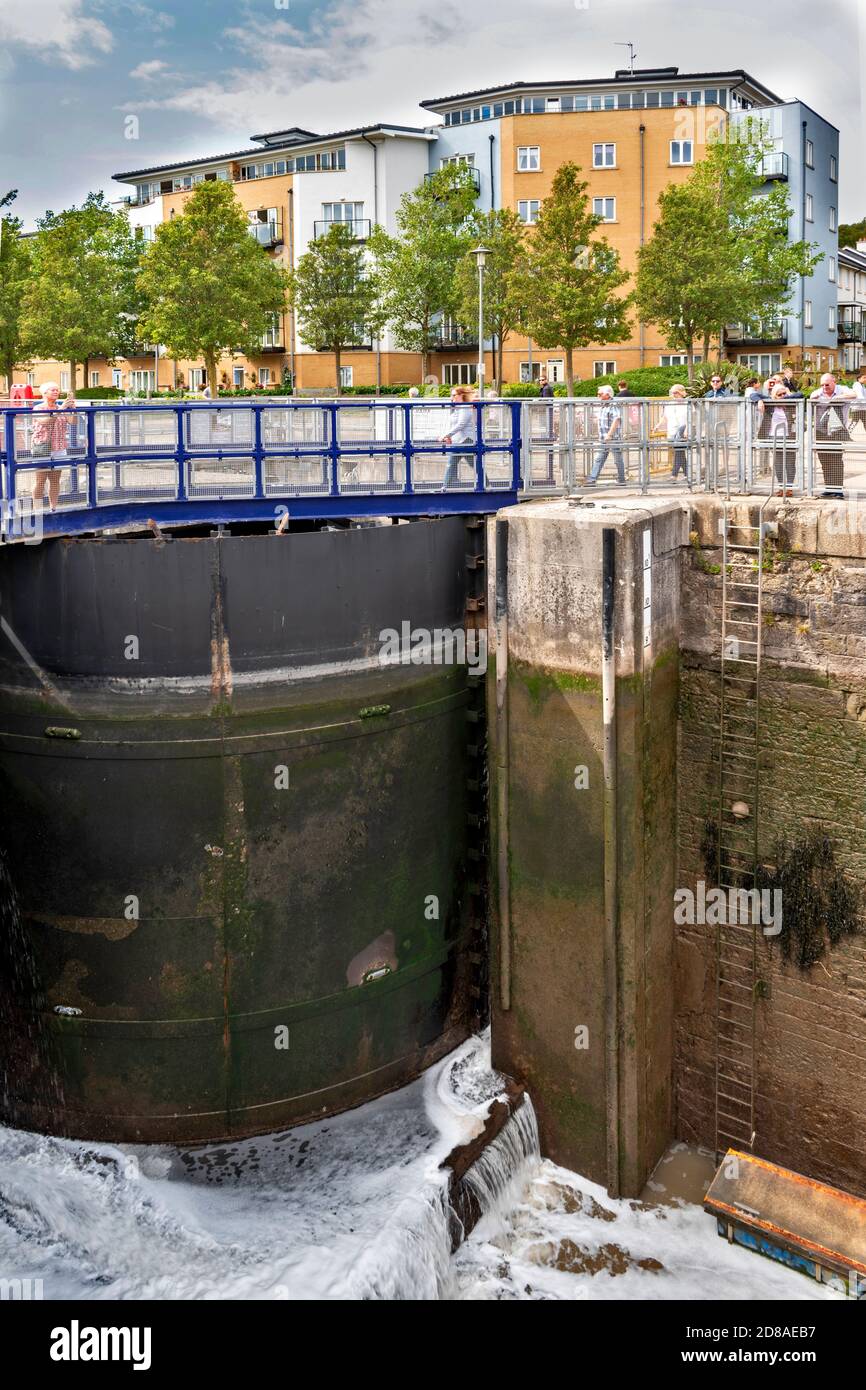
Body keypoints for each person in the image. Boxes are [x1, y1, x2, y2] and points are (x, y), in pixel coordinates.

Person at [810, 373, 856, 497]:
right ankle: (829, 487)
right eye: (822, 385)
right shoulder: (819, 392)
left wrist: (836, 399)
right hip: (821, 431)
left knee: (836, 460)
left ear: (833, 381)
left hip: (837, 431)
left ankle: (838, 489)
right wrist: (814, 397)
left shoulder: (842, 389)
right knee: (825, 461)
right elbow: (811, 398)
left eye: (827, 384)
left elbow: (854, 395)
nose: (824, 387)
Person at [31, 382, 75, 511]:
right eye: (53, 390)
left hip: (59, 447)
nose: (56, 392)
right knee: (40, 480)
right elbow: (45, 421)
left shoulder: (61, 407)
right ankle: (37, 509)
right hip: (42, 447)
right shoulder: (38, 408)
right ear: (44, 393)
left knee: (55, 480)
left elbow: (73, 422)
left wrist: (72, 409)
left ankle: (53, 508)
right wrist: (61, 409)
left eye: (57, 390)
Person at [767, 384, 802, 495]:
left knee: (790, 463)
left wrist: (786, 398)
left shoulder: (790, 404)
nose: (782, 396)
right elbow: (754, 395)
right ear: (774, 396)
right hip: (775, 436)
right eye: (779, 394)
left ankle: (789, 488)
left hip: (789, 436)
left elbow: (800, 394)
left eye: (784, 394)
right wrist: (760, 401)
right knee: (778, 463)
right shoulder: (771, 405)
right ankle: (782, 487)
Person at [587, 385, 625, 485]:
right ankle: (592, 479)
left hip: (613, 437)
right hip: (604, 437)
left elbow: (616, 420)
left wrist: (609, 434)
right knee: (599, 458)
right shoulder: (603, 405)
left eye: (600, 394)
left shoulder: (613, 404)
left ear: (607, 395)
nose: (598, 396)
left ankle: (621, 479)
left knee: (617, 459)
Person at [440, 384, 476, 489]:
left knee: (472, 465)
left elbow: (461, 424)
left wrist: (446, 435)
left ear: (461, 395)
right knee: (451, 464)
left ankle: (487, 485)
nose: (452, 398)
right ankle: (445, 487)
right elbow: (453, 424)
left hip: (465, 441)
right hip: (458, 441)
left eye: (454, 395)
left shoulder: (464, 407)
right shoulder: (458, 408)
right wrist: (449, 436)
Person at [655, 384, 690, 480]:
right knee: (680, 452)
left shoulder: (687, 403)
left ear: (682, 393)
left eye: (676, 392)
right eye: (673, 392)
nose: (674, 395)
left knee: (679, 450)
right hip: (672, 430)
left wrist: (687, 429)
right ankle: (687, 474)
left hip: (683, 430)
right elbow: (665, 417)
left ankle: (674, 475)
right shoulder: (669, 404)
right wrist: (658, 425)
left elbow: (691, 418)